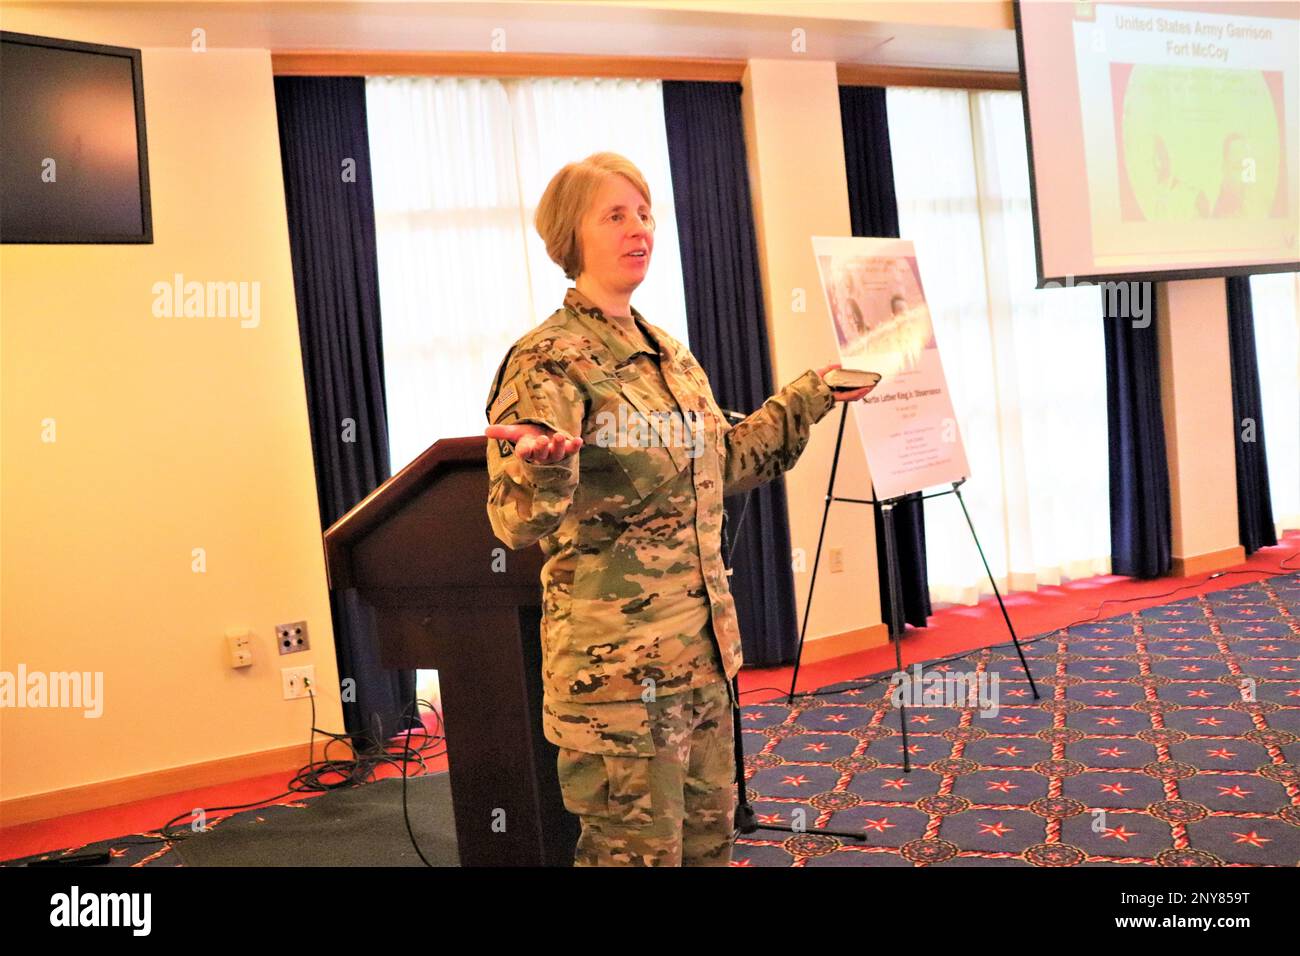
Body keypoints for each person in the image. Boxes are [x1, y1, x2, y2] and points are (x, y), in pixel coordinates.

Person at [482, 152, 874, 867]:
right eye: (615, 215)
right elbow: (513, 522)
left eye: (644, 213)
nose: (640, 229)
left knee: (707, 848)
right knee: (635, 857)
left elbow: (729, 460)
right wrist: (543, 470)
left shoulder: (669, 354)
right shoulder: (548, 360)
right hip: (619, 686)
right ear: (573, 235)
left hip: (700, 661)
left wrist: (811, 393)